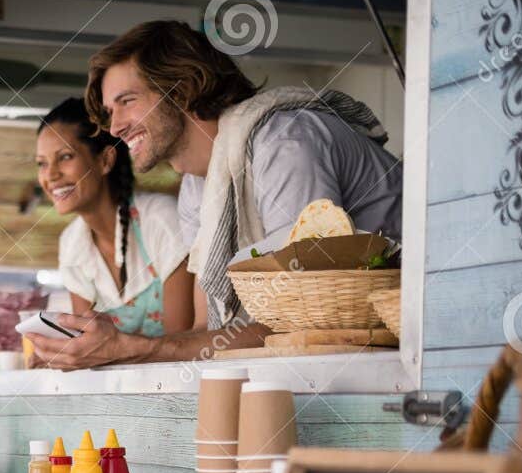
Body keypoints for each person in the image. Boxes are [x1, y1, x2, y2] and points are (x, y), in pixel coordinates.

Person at [30, 19, 402, 371]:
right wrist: (117, 351)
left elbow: (302, 325)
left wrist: (135, 349)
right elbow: (206, 330)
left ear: (183, 88)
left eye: (127, 101)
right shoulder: (199, 186)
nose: (115, 126)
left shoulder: (283, 144)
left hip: (417, 340)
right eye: (111, 111)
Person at [37, 98, 192, 339]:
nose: (51, 174)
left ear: (105, 160)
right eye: (41, 164)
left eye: (65, 157)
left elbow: (180, 339)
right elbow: (86, 342)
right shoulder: (71, 243)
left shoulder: (161, 219)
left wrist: (109, 348)